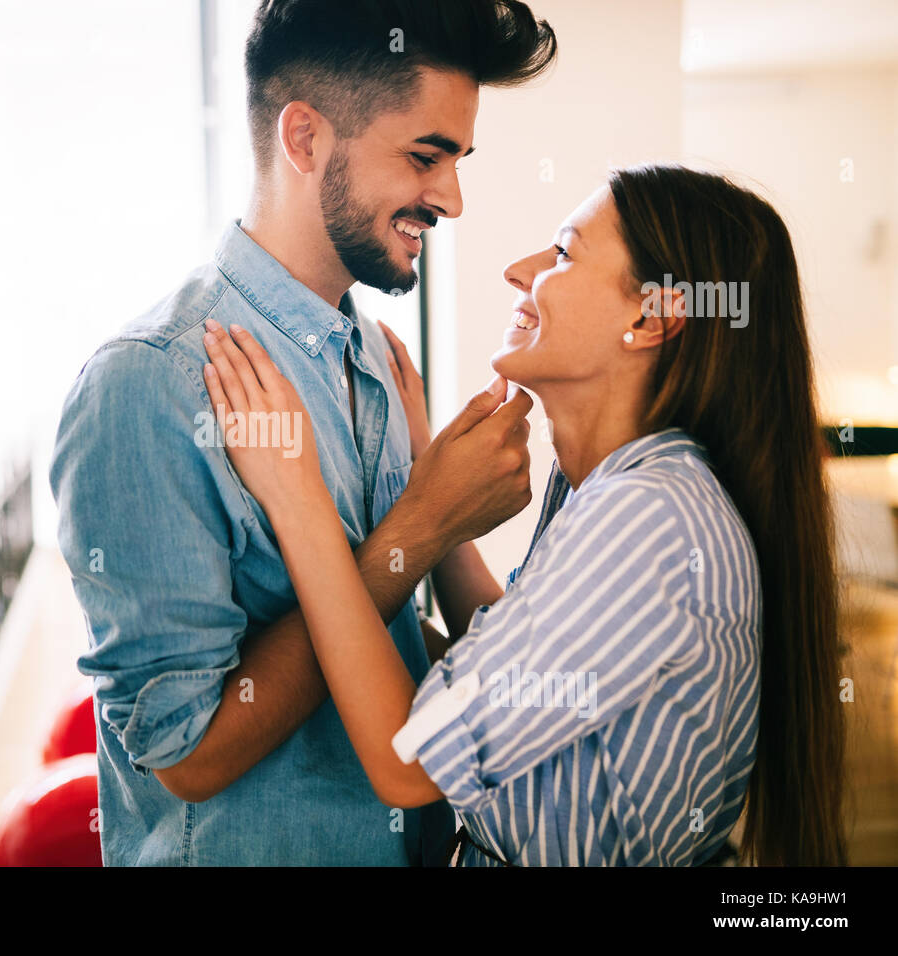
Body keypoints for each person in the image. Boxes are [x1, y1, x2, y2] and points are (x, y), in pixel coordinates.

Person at [199, 163, 848, 865]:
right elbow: (520, 677)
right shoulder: (606, 491)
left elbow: (408, 761)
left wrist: (297, 498)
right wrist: (432, 486)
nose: (517, 270)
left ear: (652, 315)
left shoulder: (647, 522)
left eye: (563, 253)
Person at [49, 0, 556, 865]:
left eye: (457, 161)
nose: (453, 198)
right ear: (306, 139)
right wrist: (424, 523)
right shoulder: (150, 382)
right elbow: (189, 754)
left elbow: (389, 646)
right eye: (425, 157)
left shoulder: (378, 358)